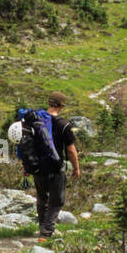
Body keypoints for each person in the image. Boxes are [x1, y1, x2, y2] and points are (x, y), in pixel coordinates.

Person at [35, 91, 80, 241]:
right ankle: (46, 233)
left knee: (42, 199)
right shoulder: (63, 125)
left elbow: (29, 145)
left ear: (49, 102)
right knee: (57, 200)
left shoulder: (35, 121)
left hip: (37, 166)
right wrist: (76, 168)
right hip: (55, 168)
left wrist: (26, 165)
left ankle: (43, 227)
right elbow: (71, 150)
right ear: (61, 105)